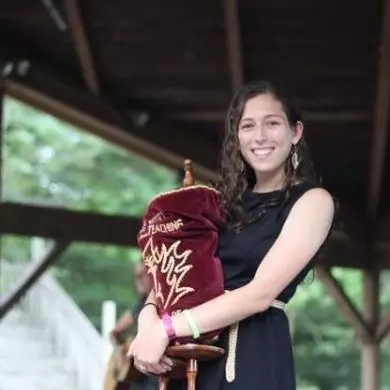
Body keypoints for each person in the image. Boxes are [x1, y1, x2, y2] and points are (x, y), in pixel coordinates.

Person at [127, 80, 335, 389]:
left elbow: (260, 294)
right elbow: (172, 273)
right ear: (237, 138)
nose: (260, 136)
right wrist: (147, 321)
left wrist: (166, 329)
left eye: (272, 123)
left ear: (296, 132)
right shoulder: (218, 204)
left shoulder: (313, 202)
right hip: (187, 357)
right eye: (247, 126)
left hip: (251, 352)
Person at [109, 262, 157, 390]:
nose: (138, 280)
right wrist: (118, 350)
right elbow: (113, 332)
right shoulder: (140, 305)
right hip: (138, 374)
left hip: (154, 372)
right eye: (136, 276)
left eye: (142, 275)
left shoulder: (163, 300)